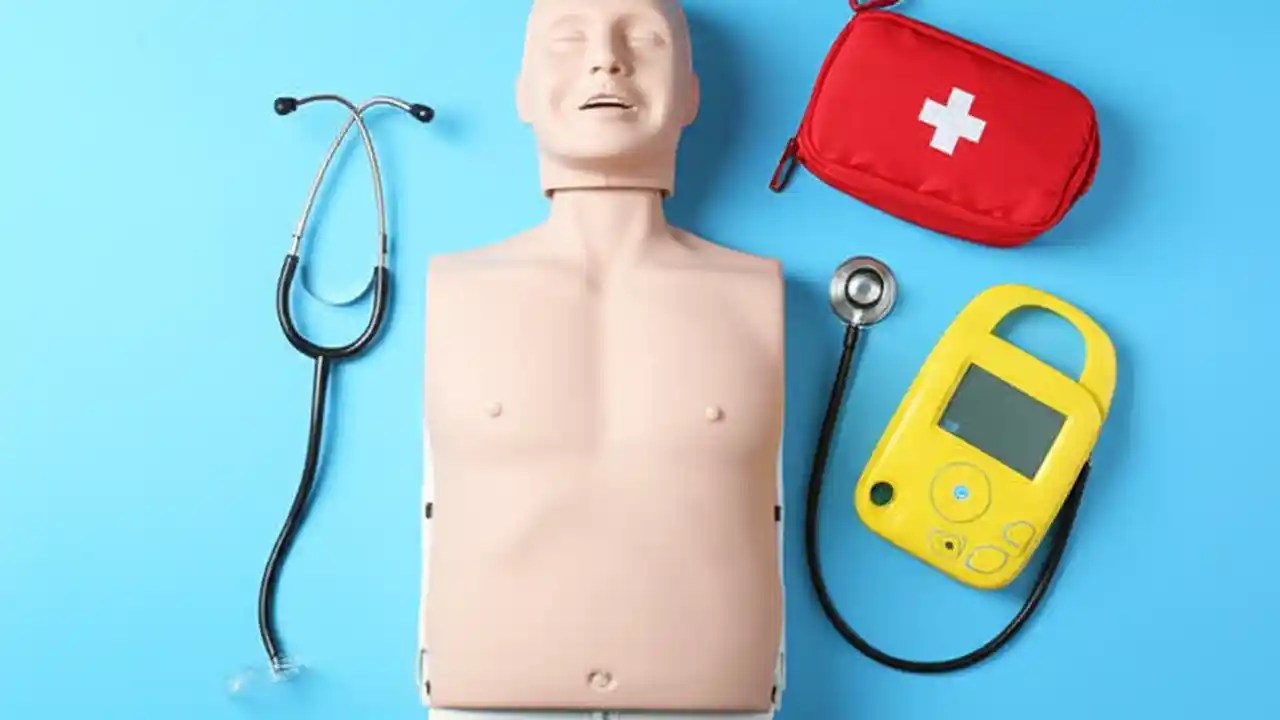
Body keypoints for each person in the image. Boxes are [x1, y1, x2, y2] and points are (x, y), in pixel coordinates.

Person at [419, 1, 785, 717]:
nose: (607, 58)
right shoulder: (456, 288)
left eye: (645, 38)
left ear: (691, 94)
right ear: (523, 91)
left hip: (717, 697)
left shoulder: (755, 293)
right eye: (568, 38)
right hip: (485, 694)